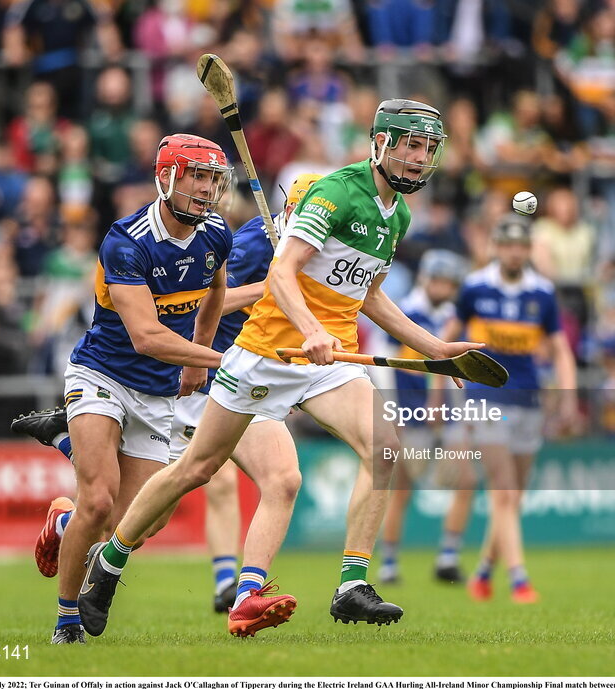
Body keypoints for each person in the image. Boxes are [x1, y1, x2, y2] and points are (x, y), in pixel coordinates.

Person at [76, 99, 483, 638]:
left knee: (383, 447)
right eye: (409, 144)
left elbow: (371, 296)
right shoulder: (337, 192)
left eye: (428, 148)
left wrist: (433, 347)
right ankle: (110, 560)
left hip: (329, 360)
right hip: (267, 352)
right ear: (380, 144)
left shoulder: (398, 215)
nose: (418, 157)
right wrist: (309, 329)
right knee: (196, 469)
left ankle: (351, 585)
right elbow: (282, 274)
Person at [13, 174, 325, 615]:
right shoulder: (255, 243)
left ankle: (242, 595)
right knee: (128, 503)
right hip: (206, 380)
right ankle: (226, 588)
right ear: (293, 214)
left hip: (249, 380)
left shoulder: (326, 247)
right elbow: (200, 300)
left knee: (149, 519)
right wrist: (262, 296)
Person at [21, 133, 235, 644]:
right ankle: (67, 620)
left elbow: (215, 293)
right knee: (98, 502)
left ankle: (61, 518)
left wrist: (197, 365)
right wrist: (226, 361)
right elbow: (145, 336)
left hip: (159, 392)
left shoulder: (216, 235)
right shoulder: (126, 240)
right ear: (166, 178)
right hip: (103, 375)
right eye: (195, 177)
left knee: (140, 524)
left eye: (212, 179)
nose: (205, 190)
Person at [445, 214, 578, 604]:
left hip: (529, 401)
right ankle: (519, 579)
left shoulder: (542, 293)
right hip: (485, 401)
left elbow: (560, 349)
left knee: (514, 496)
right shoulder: (474, 288)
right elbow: (446, 340)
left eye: (522, 246)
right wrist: (445, 391)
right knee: (503, 492)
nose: (515, 252)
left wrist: (568, 395)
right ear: (497, 248)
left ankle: (484, 571)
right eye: (508, 245)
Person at [378, 249, 475, 585]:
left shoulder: (453, 318)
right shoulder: (405, 312)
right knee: (402, 488)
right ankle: (388, 563)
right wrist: (392, 415)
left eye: (449, 283)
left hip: (447, 417)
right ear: (427, 279)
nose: (443, 288)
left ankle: (448, 558)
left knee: (466, 482)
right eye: (438, 281)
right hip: (410, 414)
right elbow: (382, 366)